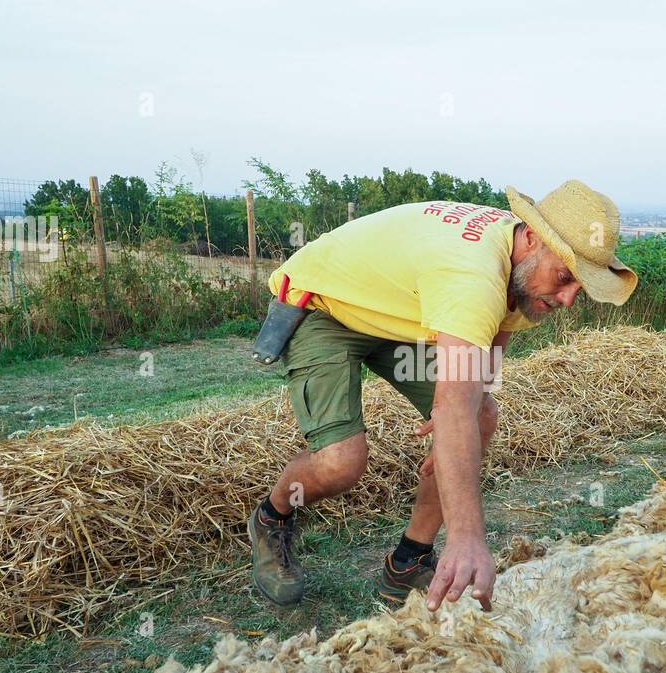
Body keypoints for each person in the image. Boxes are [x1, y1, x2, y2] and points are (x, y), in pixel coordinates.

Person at [248, 179, 638, 612]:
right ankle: (273, 517)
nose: (567, 298)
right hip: (327, 306)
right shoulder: (472, 275)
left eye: (578, 288)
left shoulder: (527, 273)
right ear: (531, 237)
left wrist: (463, 422)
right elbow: (453, 405)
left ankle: (407, 561)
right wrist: (468, 537)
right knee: (343, 463)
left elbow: (490, 348)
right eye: (565, 278)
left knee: (481, 416)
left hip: (400, 313)